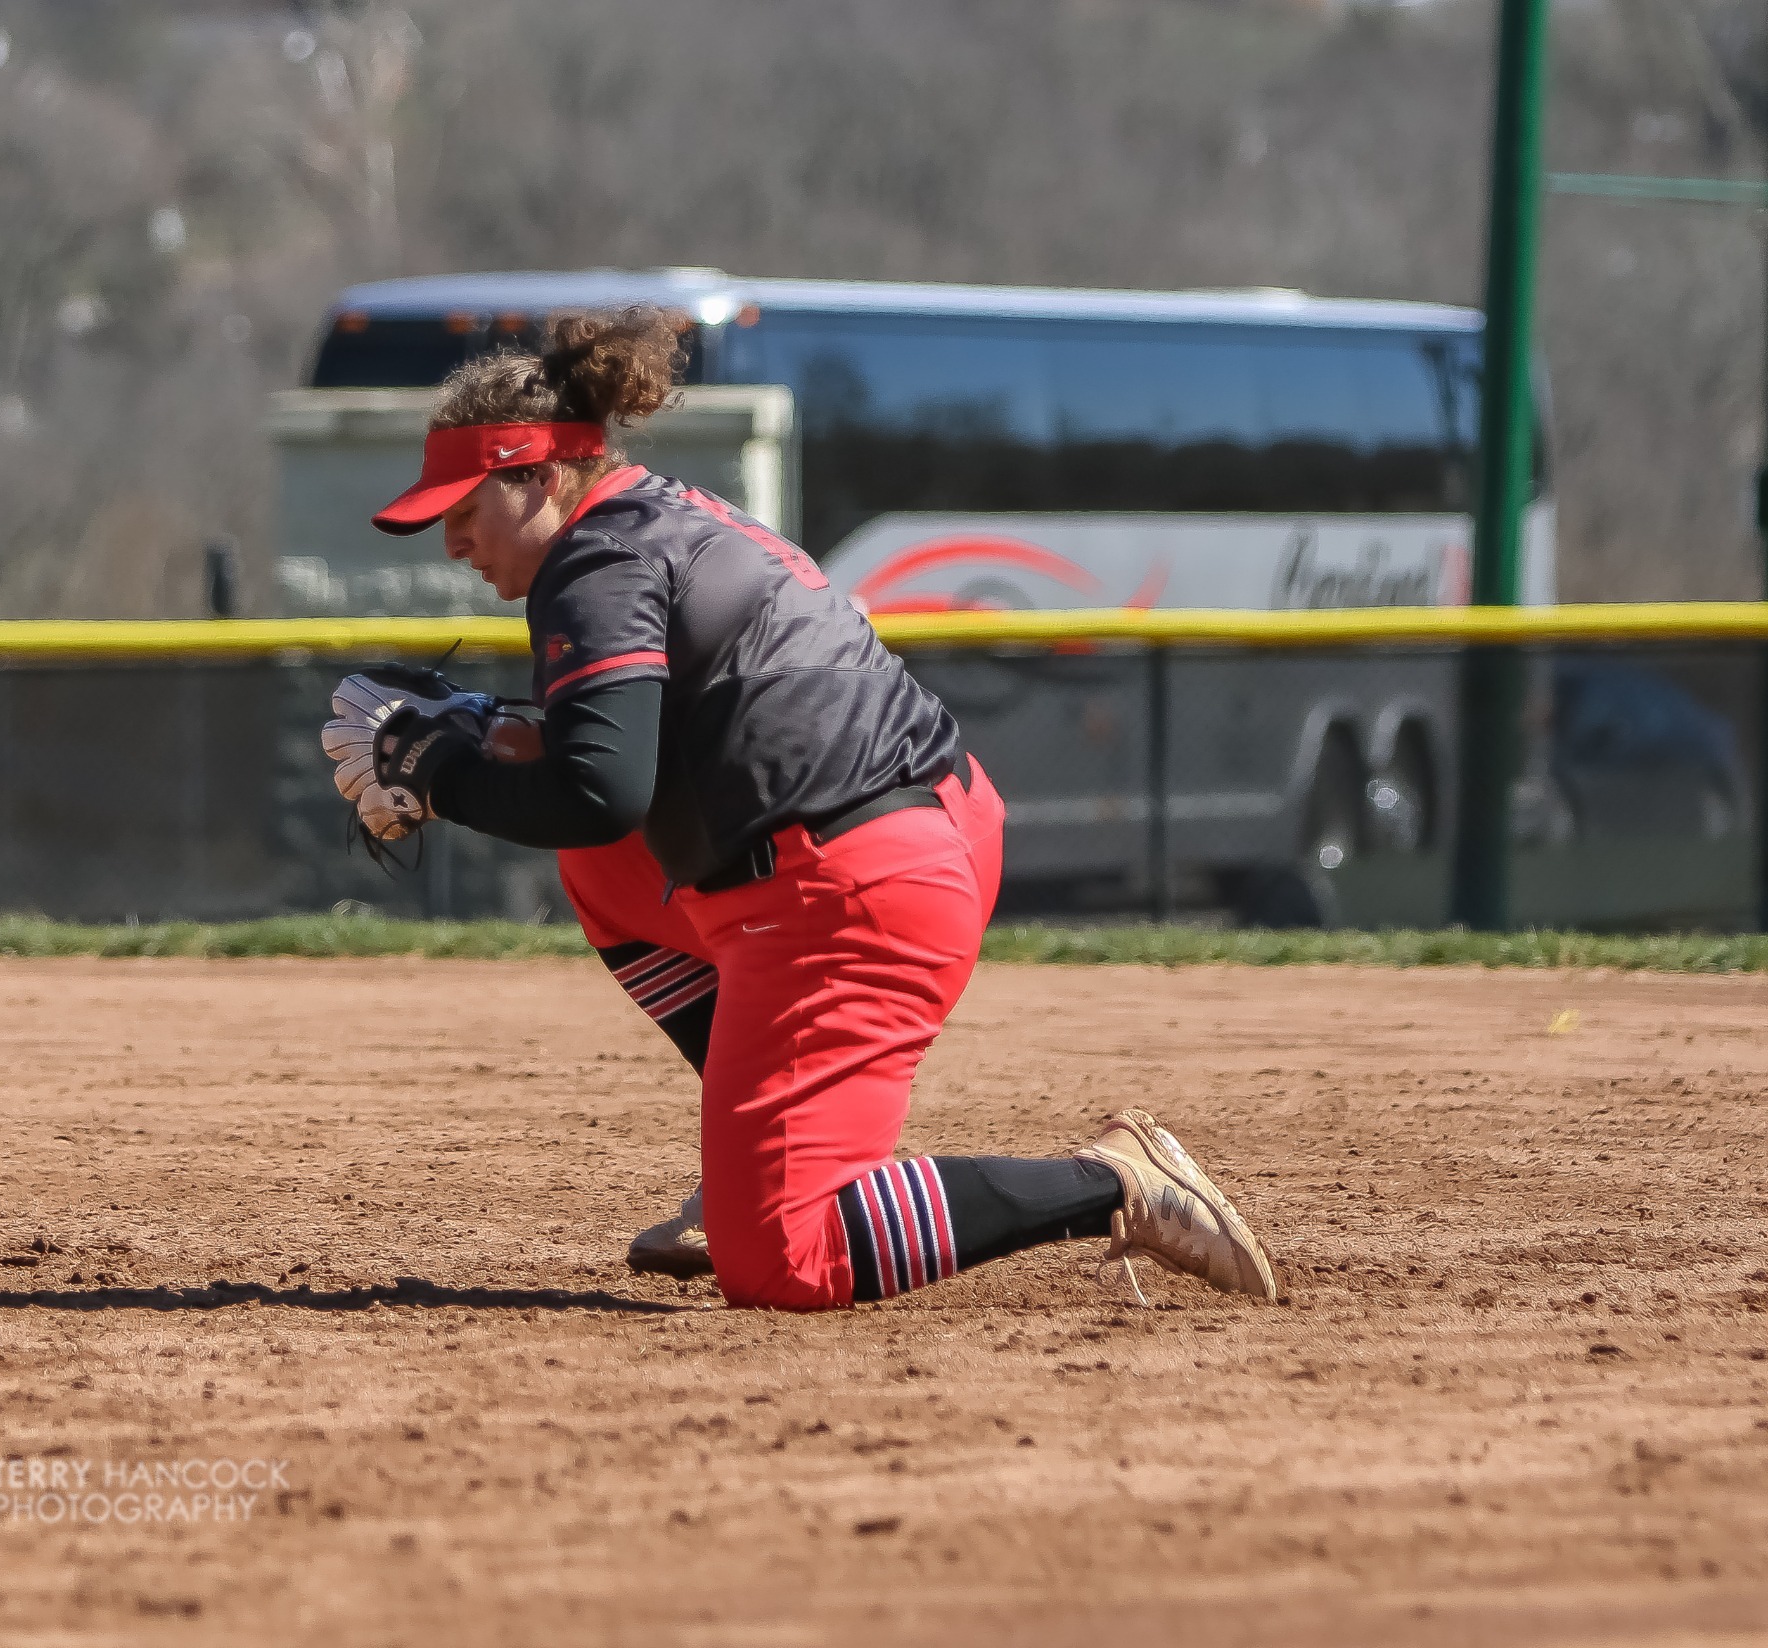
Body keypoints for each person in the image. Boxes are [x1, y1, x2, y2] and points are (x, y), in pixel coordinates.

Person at [323, 309, 1277, 1312]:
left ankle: (1115, 1182)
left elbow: (601, 792)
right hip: (934, 828)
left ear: (536, 476)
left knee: (783, 1259)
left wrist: (444, 777)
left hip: (850, 891)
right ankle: (751, 1146)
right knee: (600, 871)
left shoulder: (590, 567)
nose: (450, 540)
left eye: (465, 507)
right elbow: (635, 772)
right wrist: (505, 751)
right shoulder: (657, 514)